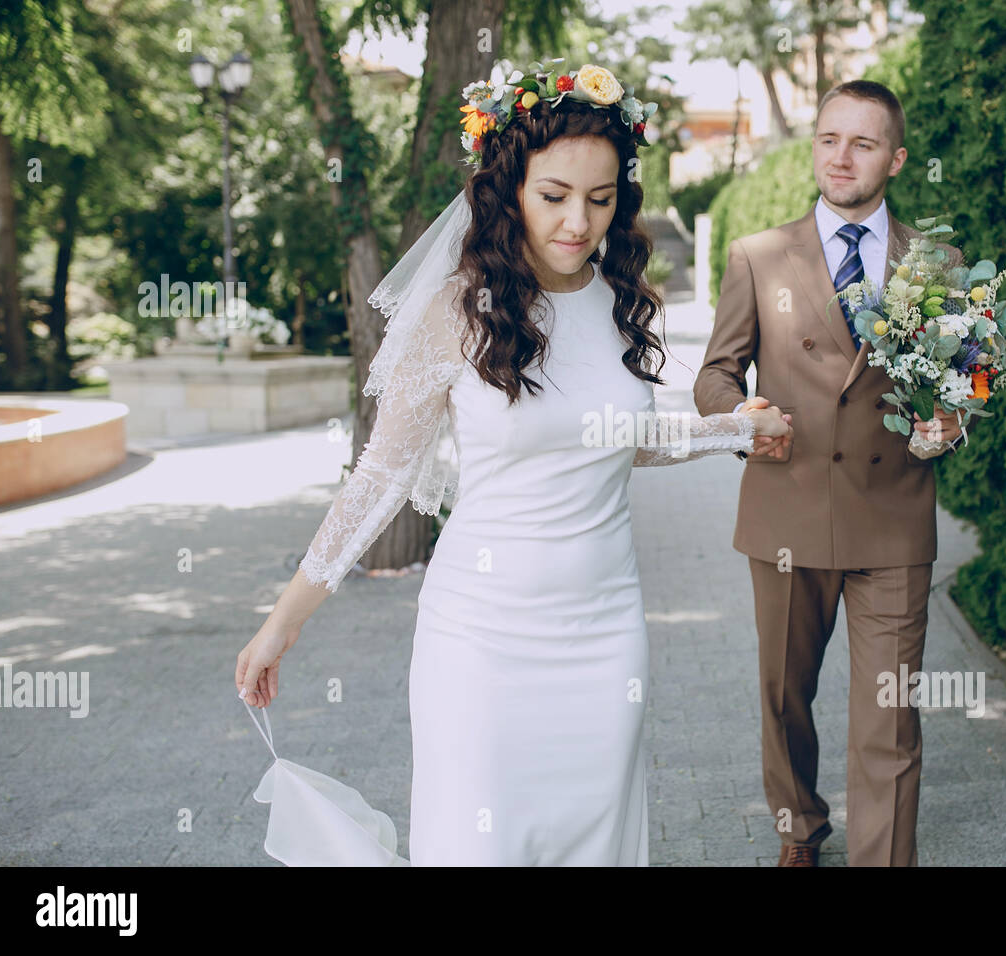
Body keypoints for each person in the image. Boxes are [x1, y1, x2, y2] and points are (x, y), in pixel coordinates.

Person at [234, 61, 792, 866]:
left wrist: (728, 430)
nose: (578, 221)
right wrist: (281, 626)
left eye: (600, 200)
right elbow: (382, 479)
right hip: (481, 640)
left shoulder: (616, 301)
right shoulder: (455, 311)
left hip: (606, 638)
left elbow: (618, 439)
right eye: (554, 195)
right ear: (508, 190)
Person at [693, 80, 971, 867]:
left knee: (889, 717)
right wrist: (741, 419)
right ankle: (798, 829)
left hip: (891, 516)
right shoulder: (756, 255)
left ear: (897, 158)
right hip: (786, 511)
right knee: (785, 700)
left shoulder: (937, 262)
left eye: (863, 142)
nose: (840, 157)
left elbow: (964, 382)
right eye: (828, 139)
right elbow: (716, 374)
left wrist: (950, 423)